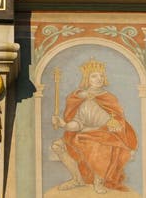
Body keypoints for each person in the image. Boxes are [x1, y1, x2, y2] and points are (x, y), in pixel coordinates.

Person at [51, 58, 138, 193]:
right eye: (94, 76)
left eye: (101, 76)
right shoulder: (82, 99)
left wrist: (110, 126)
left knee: (98, 145)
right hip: (83, 134)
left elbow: (117, 123)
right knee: (58, 145)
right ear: (87, 79)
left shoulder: (110, 98)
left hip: (103, 135)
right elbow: (78, 123)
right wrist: (65, 125)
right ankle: (77, 178)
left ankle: (99, 182)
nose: (99, 79)